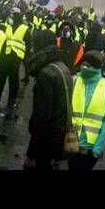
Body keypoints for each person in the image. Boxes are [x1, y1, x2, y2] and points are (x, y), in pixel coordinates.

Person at [24, 29, 71, 170]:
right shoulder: (62, 67)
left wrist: (31, 152)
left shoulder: (46, 73)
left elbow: (42, 116)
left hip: (46, 139)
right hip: (58, 134)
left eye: (34, 44)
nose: (32, 48)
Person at [67, 51, 105, 170]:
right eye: (83, 64)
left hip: (90, 147)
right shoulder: (75, 81)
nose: (84, 67)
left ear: (96, 66)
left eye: (88, 65)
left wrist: (97, 149)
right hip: (72, 141)